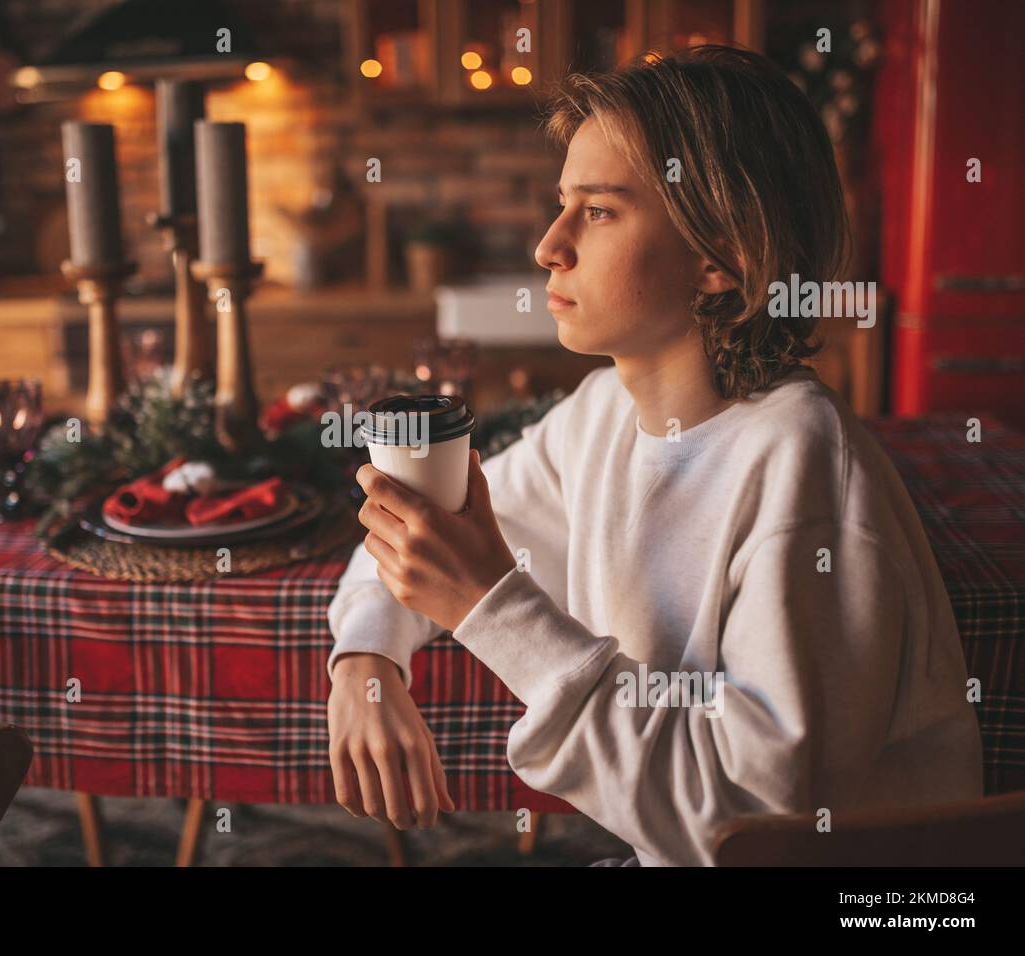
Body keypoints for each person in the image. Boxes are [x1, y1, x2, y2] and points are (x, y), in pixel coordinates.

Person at [324, 46, 983, 866]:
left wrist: (489, 609)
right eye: (562, 204)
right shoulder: (601, 415)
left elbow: (750, 827)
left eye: (598, 211)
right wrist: (366, 657)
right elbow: (422, 535)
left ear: (720, 256)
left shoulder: (801, 470)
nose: (547, 246)